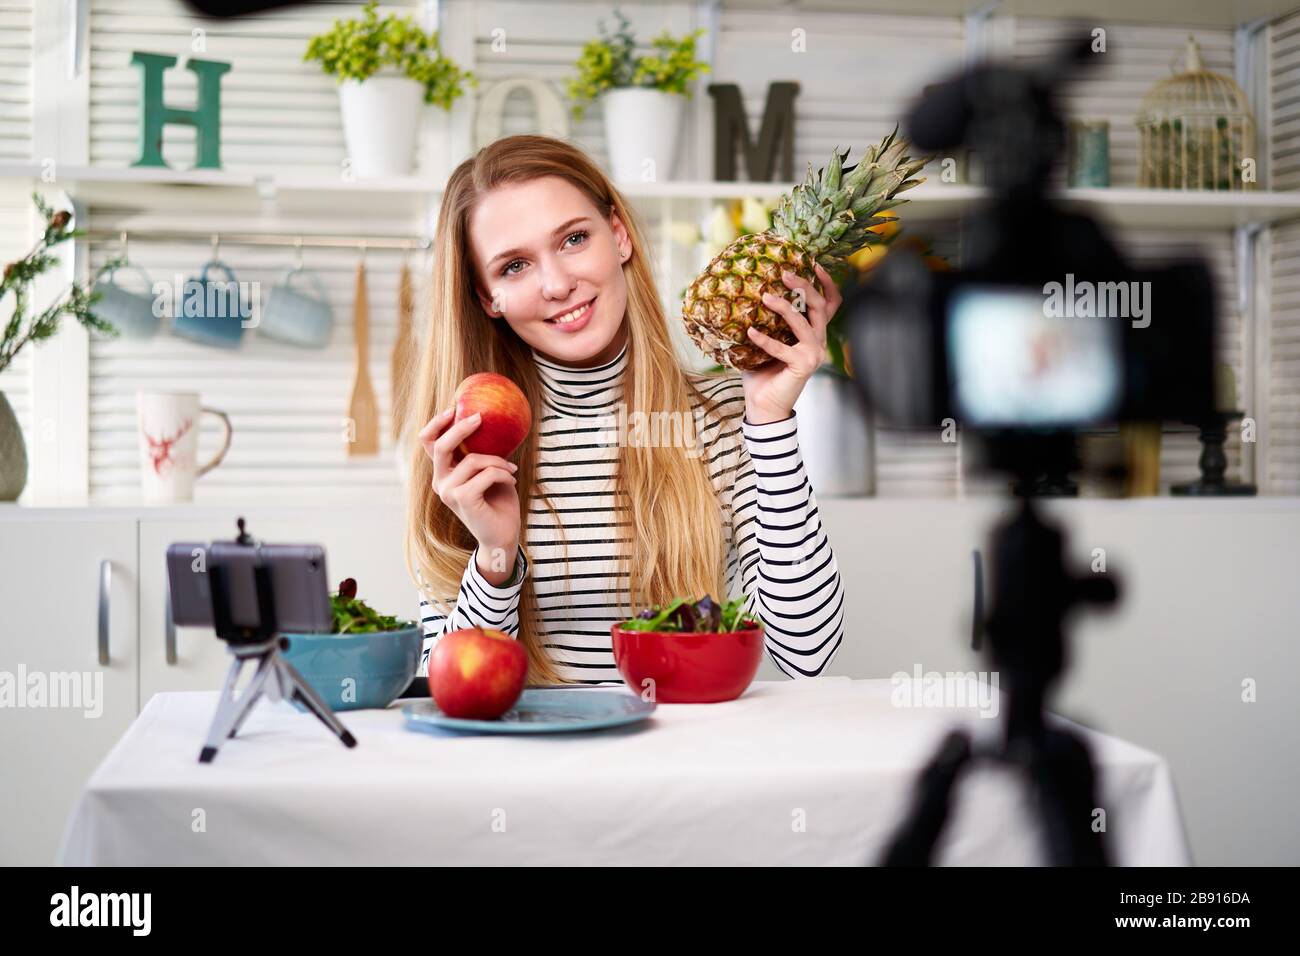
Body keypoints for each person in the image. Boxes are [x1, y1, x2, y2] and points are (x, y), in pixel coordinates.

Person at [404, 134, 845, 686]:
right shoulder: (464, 446)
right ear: (487, 296)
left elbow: (806, 650)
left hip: (680, 758)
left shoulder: (730, 417)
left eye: (574, 239)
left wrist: (771, 422)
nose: (557, 284)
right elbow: (443, 682)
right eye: (514, 266)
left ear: (619, 236)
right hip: (527, 764)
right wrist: (495, 558)